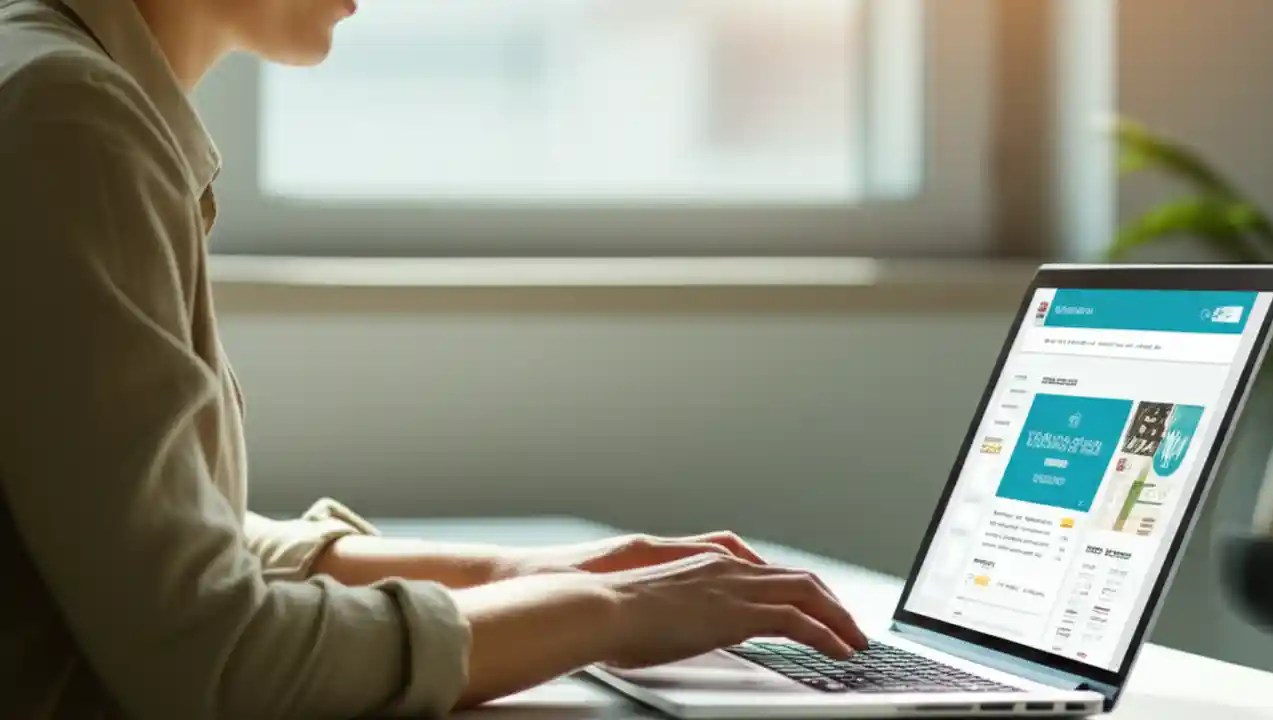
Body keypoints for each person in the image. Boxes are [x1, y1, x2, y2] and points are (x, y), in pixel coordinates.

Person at [0, 0, 867, 717]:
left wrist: (518, 574)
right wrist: (607, 613)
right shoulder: (70, 118)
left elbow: (157, 551)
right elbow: (215, 660)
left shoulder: (55, 80)